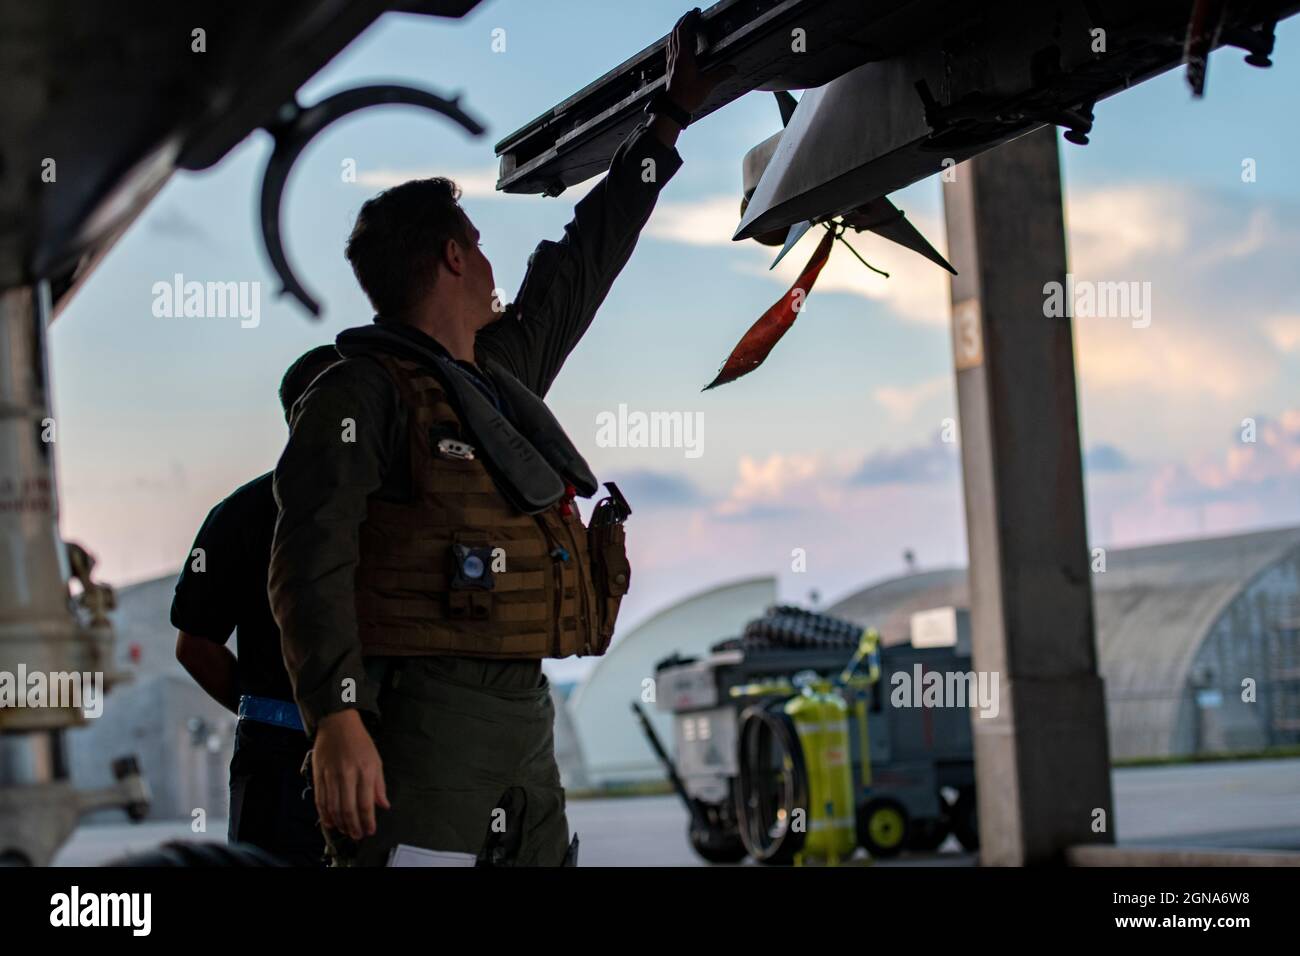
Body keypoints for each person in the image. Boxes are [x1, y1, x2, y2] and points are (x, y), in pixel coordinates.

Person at [268, 11, 729, 866]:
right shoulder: (361, 393)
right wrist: (336, 716)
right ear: (450, 258)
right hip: (423, 716)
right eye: (478, 249)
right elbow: (308, 552)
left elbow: (583, 260)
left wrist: (666, 123)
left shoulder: (499, 372)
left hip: (523, 709)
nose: (493, 268)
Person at [173, 345, 341, 865]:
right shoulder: (246, 513)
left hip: (279, 760)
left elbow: (195, 646)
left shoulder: (238, 511)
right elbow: (195, 646)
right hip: (290, 766)